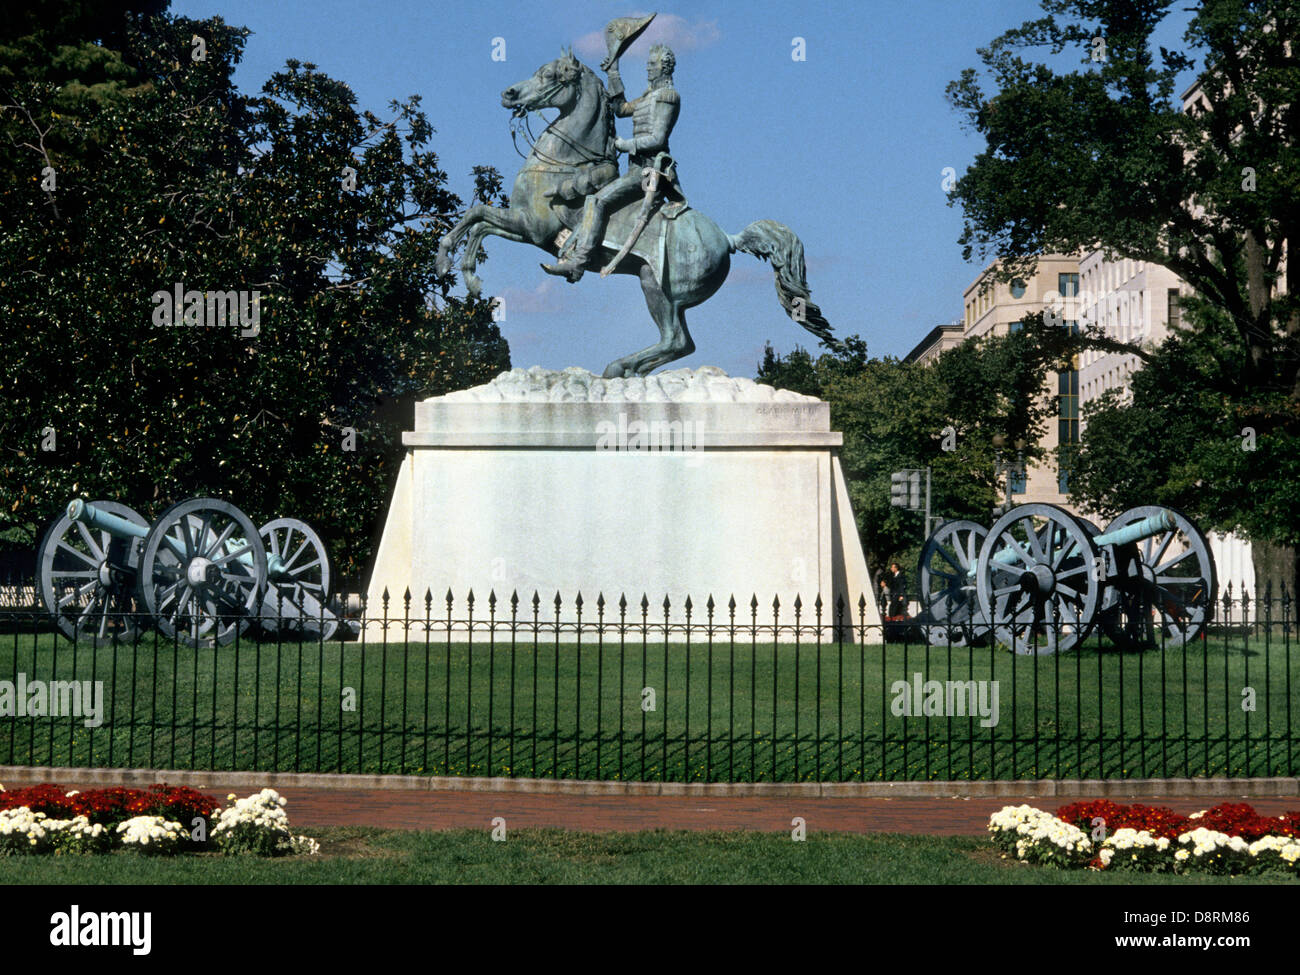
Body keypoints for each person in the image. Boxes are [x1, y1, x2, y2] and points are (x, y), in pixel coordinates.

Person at [541, 44, 681, 283]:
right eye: (648, 64)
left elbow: (658, 138)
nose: (648, 68)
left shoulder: (667, 97)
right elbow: (621, 108)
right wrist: (614, 72)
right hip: (635, 168)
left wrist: (624, 144)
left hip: (648, 171)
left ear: (664, 68)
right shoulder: (649, 97)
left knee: (595, 201)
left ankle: (578, 262)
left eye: (652, 64)